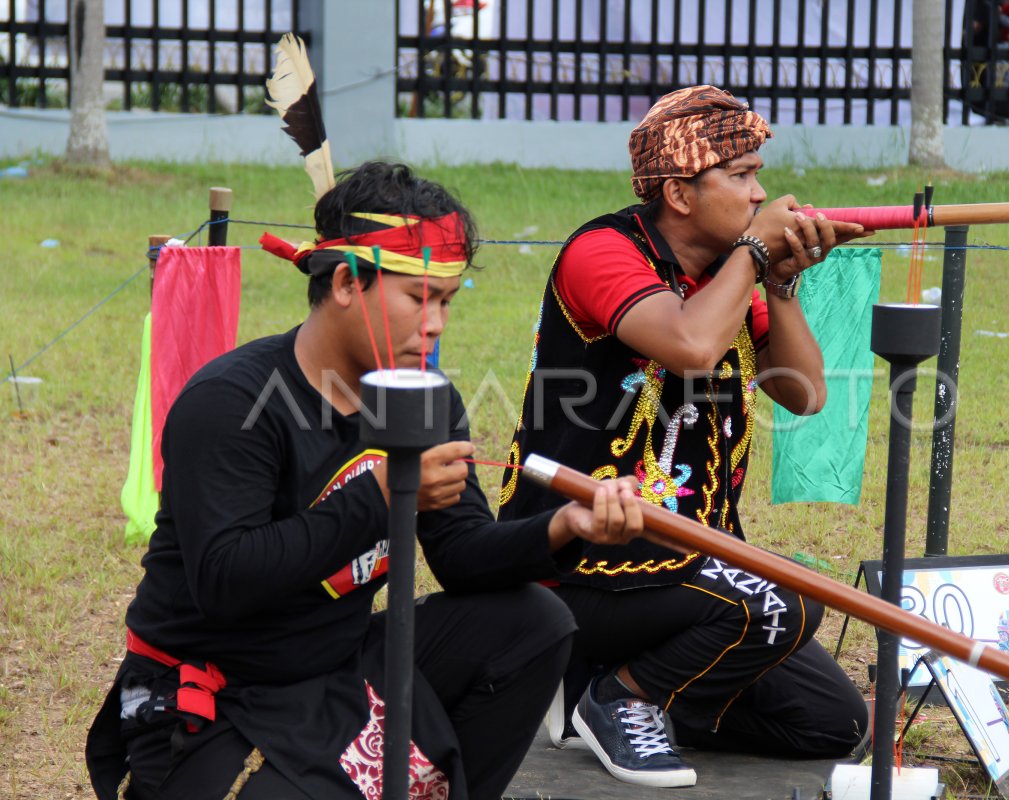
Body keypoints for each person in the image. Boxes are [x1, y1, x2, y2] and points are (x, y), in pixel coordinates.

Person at [85, 161, 644, 800]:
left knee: (535, 622)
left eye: (447, 301)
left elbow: (460, 554)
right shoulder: (232, 401)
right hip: (214, 681)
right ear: (348, 282)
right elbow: (225, 580)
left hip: (337, 666)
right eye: (418, 298)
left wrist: (562, 525)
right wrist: (381, 496)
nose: (435, 324)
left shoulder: (423, 399)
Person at [497, 86, 871, 788]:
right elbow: (690, 346)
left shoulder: (729, 274)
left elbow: (805, 392)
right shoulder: (600, 251)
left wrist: (781, 285)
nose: (760, 194)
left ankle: (651, 690)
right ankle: (614, 699)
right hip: (581, 559)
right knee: (786, 599)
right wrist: (754, 258)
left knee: (833, 723)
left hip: (689, 560)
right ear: (678, 192)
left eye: (759, 175)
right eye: (741, 176)